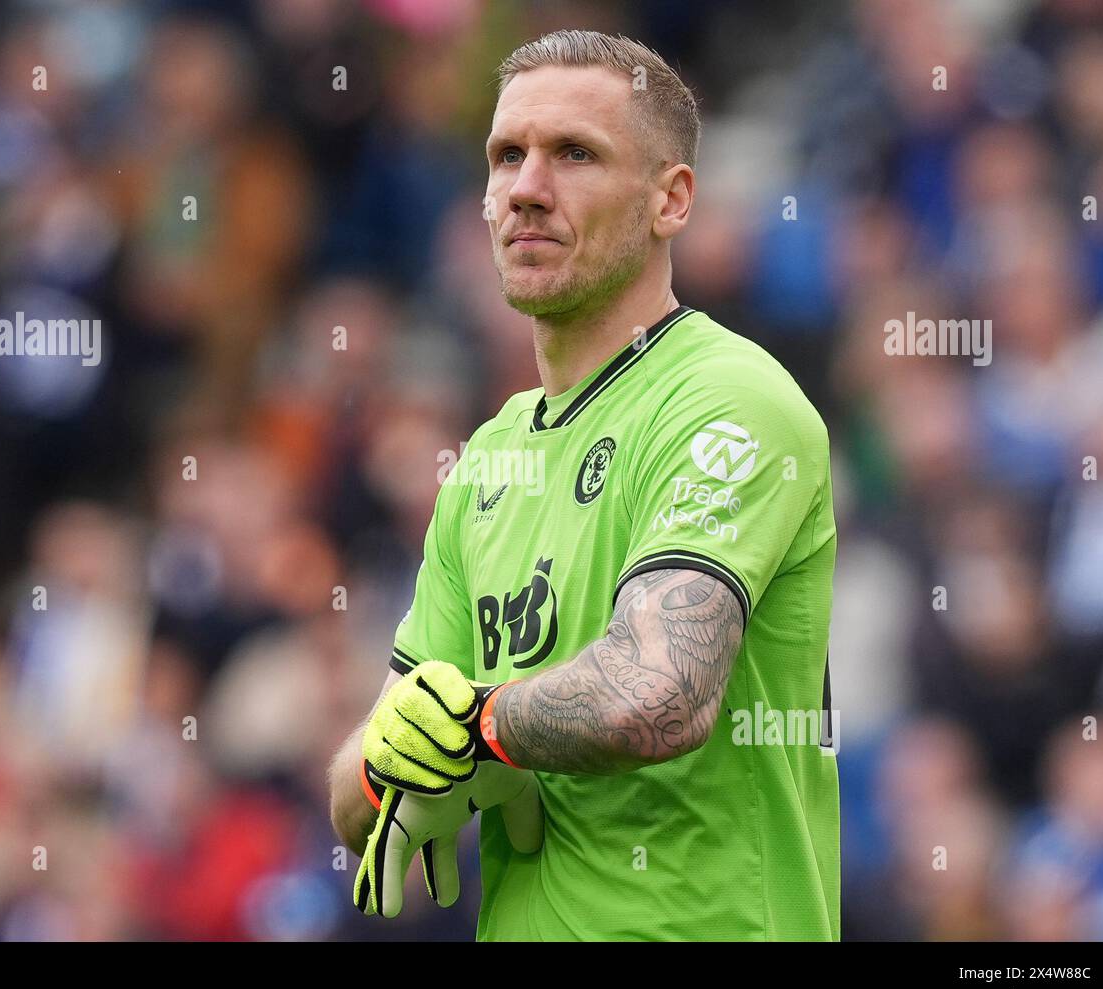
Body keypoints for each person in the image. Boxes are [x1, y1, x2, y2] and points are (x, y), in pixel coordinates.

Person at [328, 28, 838, 941]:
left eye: (575, 154)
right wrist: (388, 761)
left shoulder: (728, 398)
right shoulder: (485, 459)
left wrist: (478, 730)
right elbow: (357, 789)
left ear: (670, 199)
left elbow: (661, 690)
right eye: (506, 155)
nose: (527, 187)